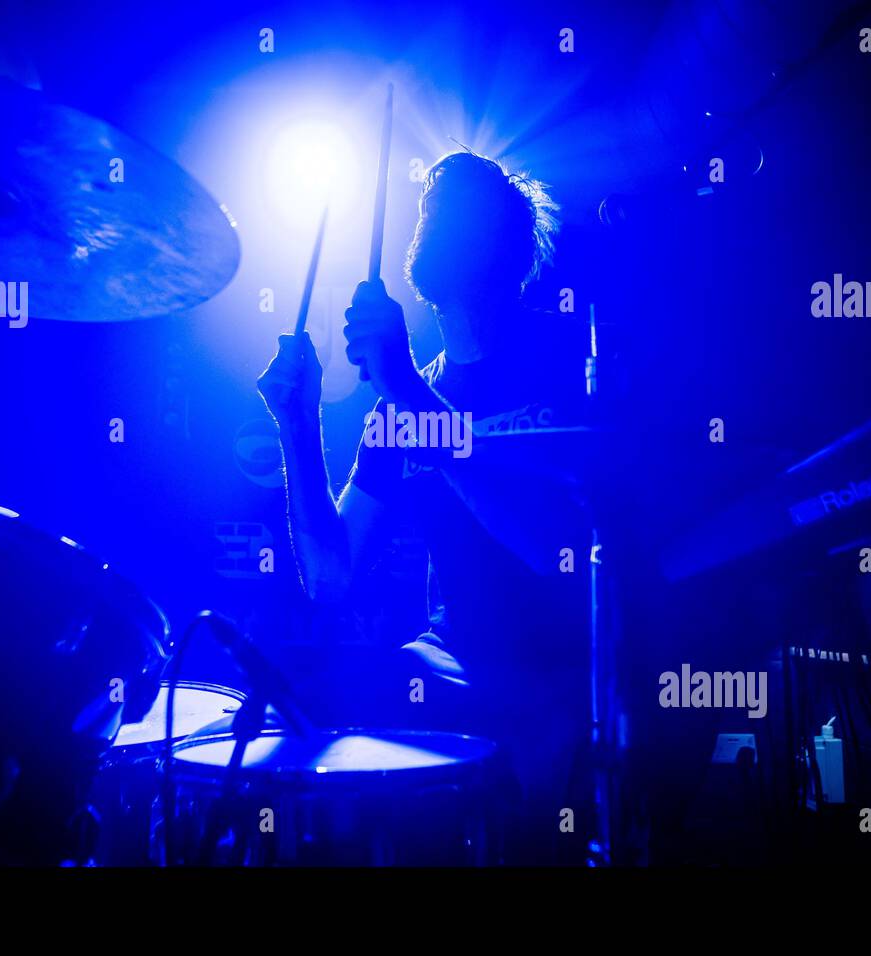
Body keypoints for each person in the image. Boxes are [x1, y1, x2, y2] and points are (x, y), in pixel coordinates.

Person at [257, 150, 591, 863]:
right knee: (303, 707)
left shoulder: (567, 366)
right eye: (427, 204)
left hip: (561, 672)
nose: (428, 210)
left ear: (503, 243)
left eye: (452, 205)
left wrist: (409, 394)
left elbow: (552, 551)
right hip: (449, 661)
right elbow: (330, 577)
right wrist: (297, 427)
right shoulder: (405, 395)